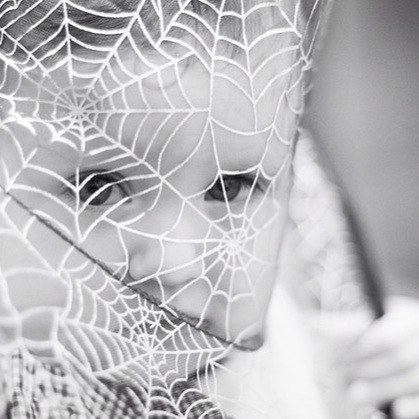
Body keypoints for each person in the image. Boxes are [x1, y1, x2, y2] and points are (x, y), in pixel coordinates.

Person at [0, 1, 418, 418]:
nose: (175, 264)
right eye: (98, 190)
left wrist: (394, 367)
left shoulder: (308, 316)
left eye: (229, 189)